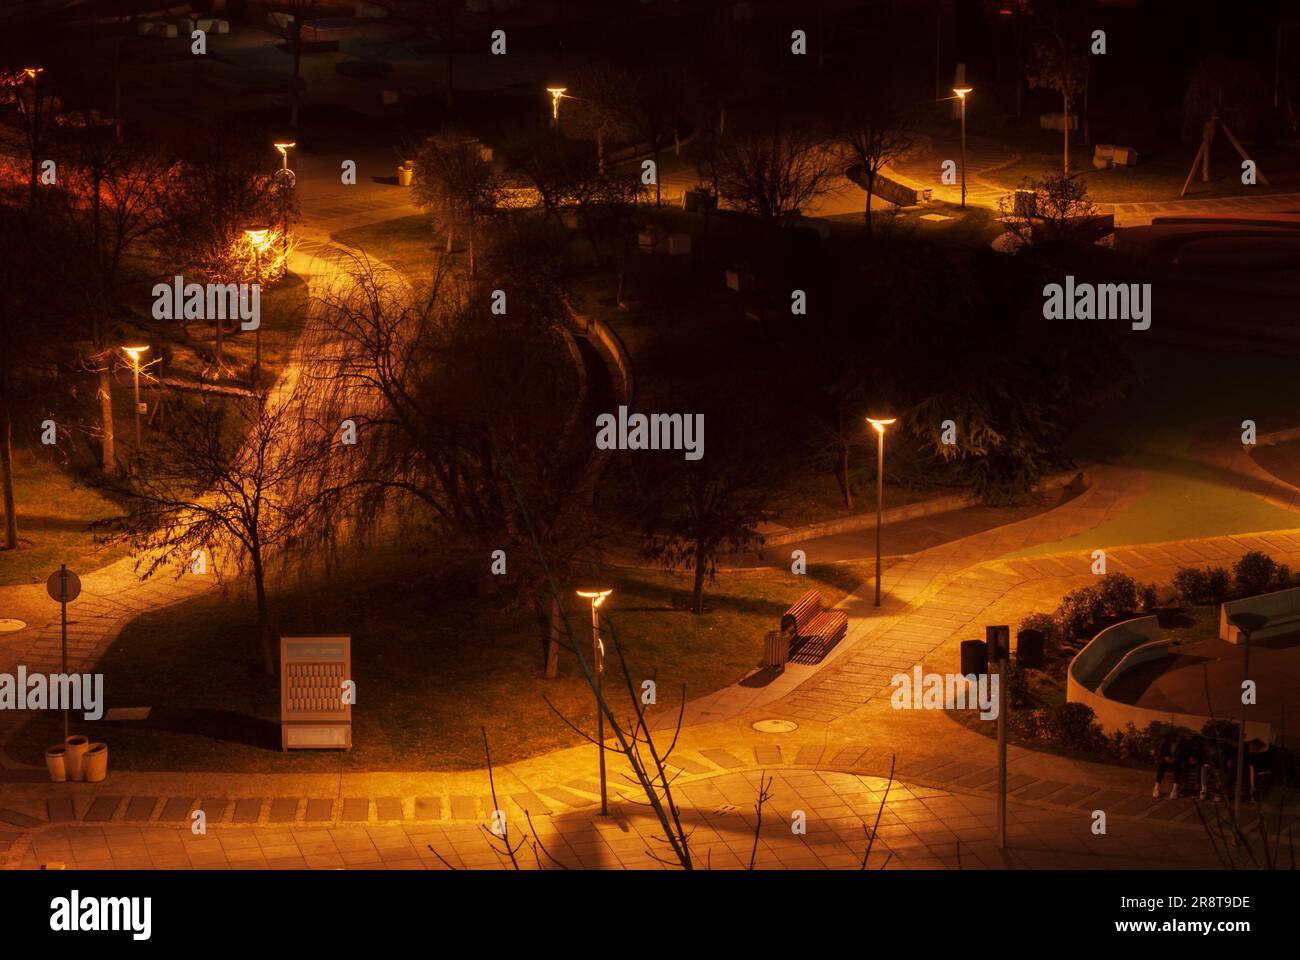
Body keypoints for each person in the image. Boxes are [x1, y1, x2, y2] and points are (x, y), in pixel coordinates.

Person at [1153, 732, 1188, 799]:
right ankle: (1156, 786)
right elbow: (1162, 750)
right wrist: (1166, 757)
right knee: (1161, 765)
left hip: (1177, 760)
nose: (1176, 739)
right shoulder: (1167, 741)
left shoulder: (1183, 743)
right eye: (1174, 738)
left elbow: (1183, 754)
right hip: (1167, 759)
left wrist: (1175, 759)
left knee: (1178, 767)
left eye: (1178, 738)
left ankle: (1175, 789)